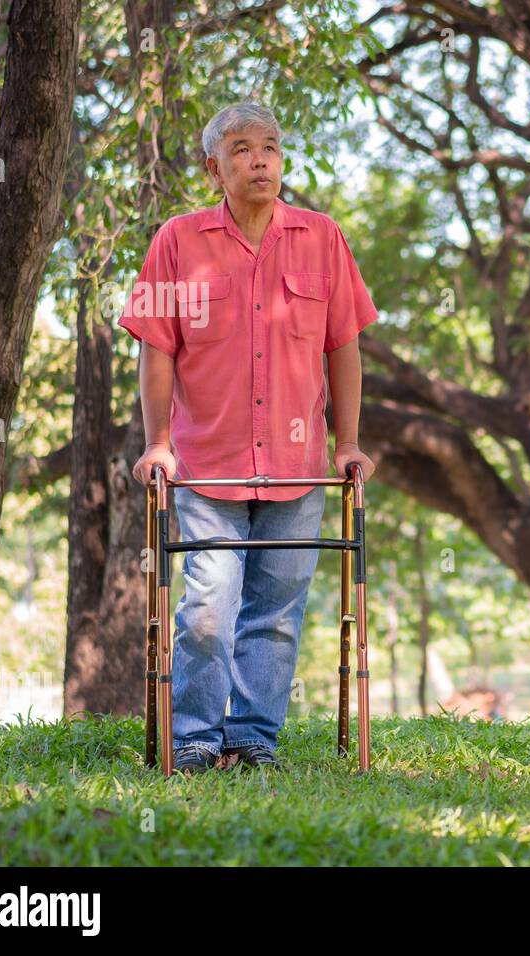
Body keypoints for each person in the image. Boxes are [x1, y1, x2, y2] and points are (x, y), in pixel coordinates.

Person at [120, 102, 378, 773]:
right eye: (240, 148)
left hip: (299, 468)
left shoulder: (323, 237)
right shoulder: (176, 241)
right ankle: (198, 741)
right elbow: (156, 349)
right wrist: (157, 444)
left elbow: (343, 343)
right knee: (207, 610)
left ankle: (254, 740)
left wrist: (347, 443)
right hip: (206, 465)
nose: (259, 158)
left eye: (270, 145)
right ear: (214, 167)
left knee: (277, 615)